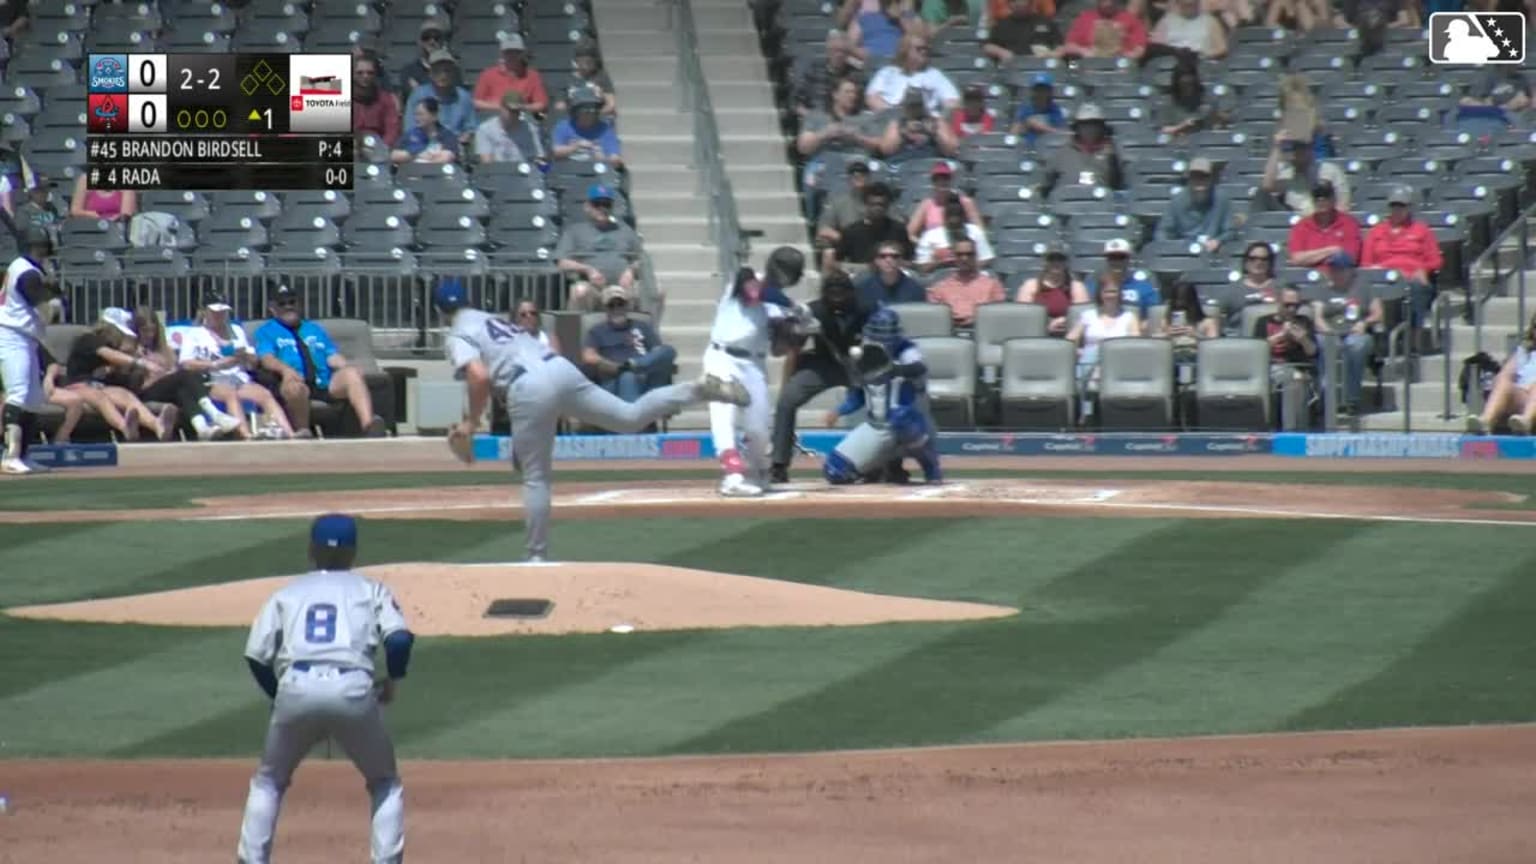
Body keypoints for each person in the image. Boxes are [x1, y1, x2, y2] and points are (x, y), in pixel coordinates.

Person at [434, 282, 748, 560]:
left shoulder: (458, 332)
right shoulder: (490, 318)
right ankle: (695, 389)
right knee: (629, 417)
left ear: (439, 312)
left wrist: (469, 424)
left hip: (527, 386)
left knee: (535, 477)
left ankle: (536, 558)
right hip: (558, 368)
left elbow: (479, 376)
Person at [236, 513, 415, 864]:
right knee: (384, 781)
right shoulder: (371, 589)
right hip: (353, 689)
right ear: (353, 553)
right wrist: (393, 681)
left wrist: (277, 696)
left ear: (311, 550)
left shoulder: (287, 593)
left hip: (296, 686)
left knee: (269, 781)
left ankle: (251, 860)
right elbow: (399, 641)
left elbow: (256, 656)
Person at [703, 247, 810, 497]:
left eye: (789, 273)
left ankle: (758, 469)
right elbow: (756, 293)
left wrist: (799, 333)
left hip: (754, 364)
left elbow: (778, 350)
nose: (784, 276)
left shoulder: (780, 309)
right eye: (783, 270)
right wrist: (795, 307)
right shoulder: (746, 277)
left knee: (758, 428)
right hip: (722, 357)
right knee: (724, 413)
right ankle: (732, 475)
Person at [770, 268, 872, 483]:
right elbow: (794, 350)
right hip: (823, 364)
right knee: (787, 401)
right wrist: (786, 386)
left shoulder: (866, 309)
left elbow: (880, 344)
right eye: (832, 293)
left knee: (883, 400)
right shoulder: (813, 311)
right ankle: (779, 464)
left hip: (860, 364)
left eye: (842, 292)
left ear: (851, 292)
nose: (837, 298)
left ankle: (886, 464)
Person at [823, 307, 942, 485]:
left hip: (911, 424)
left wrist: (894, 370)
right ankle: (877, 467)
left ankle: (930, 467)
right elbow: (857, 396)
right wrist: (839, 411)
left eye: (887, 335)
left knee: (901, 417)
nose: (883, 340)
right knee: (834, 472)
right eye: (879, 335)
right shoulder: (863, 355)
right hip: (877, 427)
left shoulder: (906, 350)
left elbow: (919, 368)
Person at [254, 286, 386, 438]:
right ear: (272, 308)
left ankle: (369, 426)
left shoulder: (313, 329)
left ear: (299, 304)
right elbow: (267, 359)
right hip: (294, 382)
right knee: (295, 388)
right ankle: (303, 431)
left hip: (323, 382)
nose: (288, 306)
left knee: (351, 374)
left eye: (292, 302)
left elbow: (331, 355)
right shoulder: (266, 331)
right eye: (282, 303)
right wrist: (286, 371)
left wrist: (346, 366)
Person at [174, 292, 297, 439]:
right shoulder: (194, 334)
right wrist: (215, 364)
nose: (219, 315)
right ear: (204, 311)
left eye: (222, 311)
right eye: (215, 312)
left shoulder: (236, 330)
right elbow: (186, 363)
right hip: (211, 380)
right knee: (230, 394)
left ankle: (290, 434)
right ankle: (246, 435)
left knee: (265, 395)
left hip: (239, 379)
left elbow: (253, 362)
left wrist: (246, 357)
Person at [58, 309, 177, 442]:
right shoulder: (89, 339)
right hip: (77, 386)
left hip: (100, 387)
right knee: (100, 397)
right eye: (119, 332)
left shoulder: (113, 346)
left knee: (126, 396)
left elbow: (118, 367)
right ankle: (124, 427)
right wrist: (141, 363)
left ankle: (157, 425)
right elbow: (109, 354)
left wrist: (132, 351)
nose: (121, 335)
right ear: (109, 328)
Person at [0, 226, 58, 473]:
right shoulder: (26, 273)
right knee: (18, 393)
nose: (41, 251)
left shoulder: (27, 269)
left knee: (33, 399)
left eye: (43, 247)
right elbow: (46, 312)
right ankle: (9, 456)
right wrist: (54, 302)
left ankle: (23, 455)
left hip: (26, 338)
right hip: (11, 335)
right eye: (38, 247)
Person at [555, 184, 645, 314]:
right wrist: (587, 269)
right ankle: (576, 327)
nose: (602, 208)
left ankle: (645, 327)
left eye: (606, 204)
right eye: (597, 204)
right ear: (587, 207)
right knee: (580, 291)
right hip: (593, 288)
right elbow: (562, 262)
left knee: (655, 291)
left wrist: (630, 271)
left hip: (623, 287)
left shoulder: (625, 230)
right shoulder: (574, 231)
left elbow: (641, 259)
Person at [1361, 186, 1442, 329]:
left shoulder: (1421, 230)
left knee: (1417, 287)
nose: (1397, 210)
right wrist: (1377, 271)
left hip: (1411, 277)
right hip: (1384, 279)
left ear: (1409, 207)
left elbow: (1436, 260)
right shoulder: (1376, 231)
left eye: (1401, 206)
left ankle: (1414, 333)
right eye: (1394, 206)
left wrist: (1423, 269)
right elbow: (1366, 263)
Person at [1311, 254, 1382, 416]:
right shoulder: (1322, 289)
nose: (1335, 273)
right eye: (1332, 269)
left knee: (1355, 345)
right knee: (1325, 344)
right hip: (1329, 332)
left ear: (1350, 270)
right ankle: (1326, 395)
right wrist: (1328, 332)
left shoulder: (1364, 288)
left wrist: (1364, 323)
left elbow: (1378, 314)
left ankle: (1351, 398)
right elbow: (1317, 317)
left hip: (1356, 332)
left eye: (1339, 269)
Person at [581, 286, 677, 404]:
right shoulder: (597, 331)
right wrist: (616, 367)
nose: (616, 309)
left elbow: (657, 351)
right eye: (611, 305)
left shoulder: (642, 326)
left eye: (620, 304)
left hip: (646, 377)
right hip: (616, 380)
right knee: (628, 376)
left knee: (668, 350)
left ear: (627, 306)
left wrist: (641, 364)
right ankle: (633, 412)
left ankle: (633, 364)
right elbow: (588, 356)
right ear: (605, 308)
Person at [1467, 313, 1536, 435]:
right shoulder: (1525, 353)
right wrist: (1501, 381)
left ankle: (1527, 421)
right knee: (1503, 381)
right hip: (1521, 397)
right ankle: (1485, 421)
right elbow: (1505, 374)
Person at [1040, 104, 1126, 198]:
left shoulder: (1111, 153)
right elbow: (1046, 184)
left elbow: (1118, 185)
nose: (1089, 129)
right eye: (1084, 125)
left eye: (1094, 125)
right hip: (1068, 203)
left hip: (1100, 203)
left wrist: (1112, 159)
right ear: (1077, 128)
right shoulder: (1062, 153)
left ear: (1102, 128)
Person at [864, 33, 961, 115]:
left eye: (926, 49)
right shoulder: (887, 72)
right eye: (919, 49)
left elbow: (953, 101)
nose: (924, 52)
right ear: (905, 51)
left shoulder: (934, 74)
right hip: (888, 117)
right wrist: (892, 114)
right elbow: (872, 98)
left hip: (924, 118)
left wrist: (938, 117)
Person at [1155, 156, 1236, 251]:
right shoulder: (1177, 201)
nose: (1199, 180)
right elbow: (1163, 231)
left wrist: (1218, 241)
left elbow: (1230, 231)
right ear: (1189, 179)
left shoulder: (1221, 199)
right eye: (1195, 176)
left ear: (1211, 178)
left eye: (1204, 176)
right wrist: (1172, 248)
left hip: (1213, 252)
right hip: (1183, 251)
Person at [829, 182, 912, 269]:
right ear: (866, 205)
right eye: (873, 204)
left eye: (881, 205)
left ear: (887, 206)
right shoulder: (851, 232)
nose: (877, 208)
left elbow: (908, 259)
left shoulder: (898, 230)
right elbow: (837, 262)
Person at [925, 237, 1006, 328]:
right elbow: (935, 319)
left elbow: (998, 316)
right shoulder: (939, 288)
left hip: (983, 329)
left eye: (969, 254)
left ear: (976, 256)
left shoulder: (993, 286)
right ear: (954, 257)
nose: (964, 258)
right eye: (959, 254)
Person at [401, 50, 476, 144]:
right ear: (430, 74)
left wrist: (465, 137)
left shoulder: (463, 97)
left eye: (447, 71)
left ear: (454, 73)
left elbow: (471, 128)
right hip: (424, 144)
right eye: (437, 71)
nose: (443, 75)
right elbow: (410, 127)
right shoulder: (418, 95)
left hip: (455, 145)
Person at [1286, 181, 1362, 271]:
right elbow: (1296, 259)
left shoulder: (1348, 224)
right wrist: (1332, 250)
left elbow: (1350, 257)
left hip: (1338, 275)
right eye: (1317, 197)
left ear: (1334, 199)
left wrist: (1310, 258)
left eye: (1326, 196)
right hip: (1306, 277)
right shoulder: (1302, 225)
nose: (1321, 200)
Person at [1015, 246, 1090, 336]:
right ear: (1044, 262)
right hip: (1037, 336)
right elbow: (1023, 318)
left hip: (1069, 335)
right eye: (1051, 259)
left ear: (1067, 262)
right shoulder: (1030, 286)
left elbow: (1082, 317)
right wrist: (1046, 325)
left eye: (1060, 259)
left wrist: (1064, 320)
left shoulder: (1076, 287)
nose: (1056, 262)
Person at [905, 161, 982, 244]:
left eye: (946, 178)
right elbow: (909, 234)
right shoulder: (926, 205)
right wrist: (925, 245)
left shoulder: (966, 203)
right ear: (932, 182)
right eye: (936, 179)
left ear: (951, 181)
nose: (941, 182)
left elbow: (980, 233)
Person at [1085, 238, 1161, 321]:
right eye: (1112, 257)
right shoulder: (1094, 286)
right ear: (1106, 260)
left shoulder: (1143, 287)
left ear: (1129, 259)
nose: (1117, 262)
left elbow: (1155, 316)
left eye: (1121, 257)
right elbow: (1087, 315)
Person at [878, 87, 960, 163]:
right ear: (905, 107)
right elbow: (886, 150)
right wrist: (903, 131)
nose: (914, 109)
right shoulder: (897, 124)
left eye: (917, 105)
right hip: (902, 163)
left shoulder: (937, 122)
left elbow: (951, 150)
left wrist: (934, 131)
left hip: (932, 164)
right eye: (911, 106)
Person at [472, 34, 548, 115]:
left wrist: (521, 107)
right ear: (502, 53)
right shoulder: (488, 74)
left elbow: (541, 104)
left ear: (522, 53)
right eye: (508, 52)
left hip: (522, 116)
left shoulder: (532, 76)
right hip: (494, 117)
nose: (512, 55)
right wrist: (503, 107)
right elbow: (476, 102)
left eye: (516, 52)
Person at [551, 86, 623, 170]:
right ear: (576, 111)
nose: (590, 113)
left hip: (596, 172)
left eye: (593, 109)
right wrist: (576, 146)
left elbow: (615, 157)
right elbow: (555, 152)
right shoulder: (563, 127)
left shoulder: (605, 130)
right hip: (568, 171)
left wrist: (602, 157)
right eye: (585, 110)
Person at [914, 199, 995, 273]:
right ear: (944, 217)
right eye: (950, 216)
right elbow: (922, 268)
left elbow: (987, 259)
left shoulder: (974, 231)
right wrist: (940, 262)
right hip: (939, 278)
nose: (954, 220)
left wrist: (966, 264)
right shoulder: (930, 235)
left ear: (963, 217)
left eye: (957, 215)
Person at [475, 91, 545, 166]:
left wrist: (544, 169)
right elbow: (487, 164)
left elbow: (539, 159)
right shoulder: (485, 129)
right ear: (501, 108)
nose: (513, 114)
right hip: (497, 171)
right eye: (510, 110)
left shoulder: (530, 130)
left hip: (524, 171)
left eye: (516, 111)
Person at [984, 0, 1065, 63]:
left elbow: (1060, 47)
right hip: (1011, 65)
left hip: (1041, 64)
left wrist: (1052, 54)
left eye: (1024, 3)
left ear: (1031, 4)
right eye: (1016, 3)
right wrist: (1002, 52)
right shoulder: (1002, 24)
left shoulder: (1045, 22)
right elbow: (988, 46)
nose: (1020, 6)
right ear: (1010, 5)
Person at [1063, 0, 1149, 59]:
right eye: (1104, 1)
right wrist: (1083, 51)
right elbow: (1069, 45)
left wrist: (1127, 56)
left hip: (1120, 67)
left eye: (1111, 1)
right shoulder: (1085, 18)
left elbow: (1140, 49)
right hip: (1091, 65)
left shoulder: (1130, 19)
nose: (1108, 4)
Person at [556, 39, 617, 118]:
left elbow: (611, 104)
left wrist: (593, 115)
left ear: (595, 61)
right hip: (574, 119)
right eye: (582, 61)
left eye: (589, 62)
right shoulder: (567, 80)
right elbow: (560, 106)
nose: (586, 65)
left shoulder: (602, 77)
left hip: (598, 118)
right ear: (576, 61)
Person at [855, 241, 928, 306]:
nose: (888, 260)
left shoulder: (915, 289)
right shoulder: (864, 289)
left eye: (895, 256)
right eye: (882, 256)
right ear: (876, 261)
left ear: (901, 261)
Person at [390, 97, 459, 165]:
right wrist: (417, 155)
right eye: (416, 114)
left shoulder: (447, 135)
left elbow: (447, 157)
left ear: (434, 116)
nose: (417, 118)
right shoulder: (410, 134)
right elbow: (394, 155)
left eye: (421, 114)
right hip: (413, 170)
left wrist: (425, 162)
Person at [353, 55, 401, 149]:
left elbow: (392, 130)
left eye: (370, 73)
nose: (365, 76)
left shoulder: (385, 98)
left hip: (378, 147)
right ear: (352, 74)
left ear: (375, 74)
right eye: (360, 73)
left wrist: (382, 148)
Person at [1009, 73, 1068, 145]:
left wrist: (1040, 127)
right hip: (1026, 148)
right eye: (1037, 89)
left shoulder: (1055, 110)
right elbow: (1013, 133)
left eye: (1043, 89)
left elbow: (1062, 135)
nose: (1040, 93)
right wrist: (1025, 125)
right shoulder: (1025, 109)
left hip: (1047, 147)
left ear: (1050, 91)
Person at [69, 173, 136, 222]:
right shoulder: (85, 180)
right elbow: (75, 211)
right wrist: (91, 215)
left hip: (115, 228)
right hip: (90, 225)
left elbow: (125, 215)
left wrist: (109, 221)